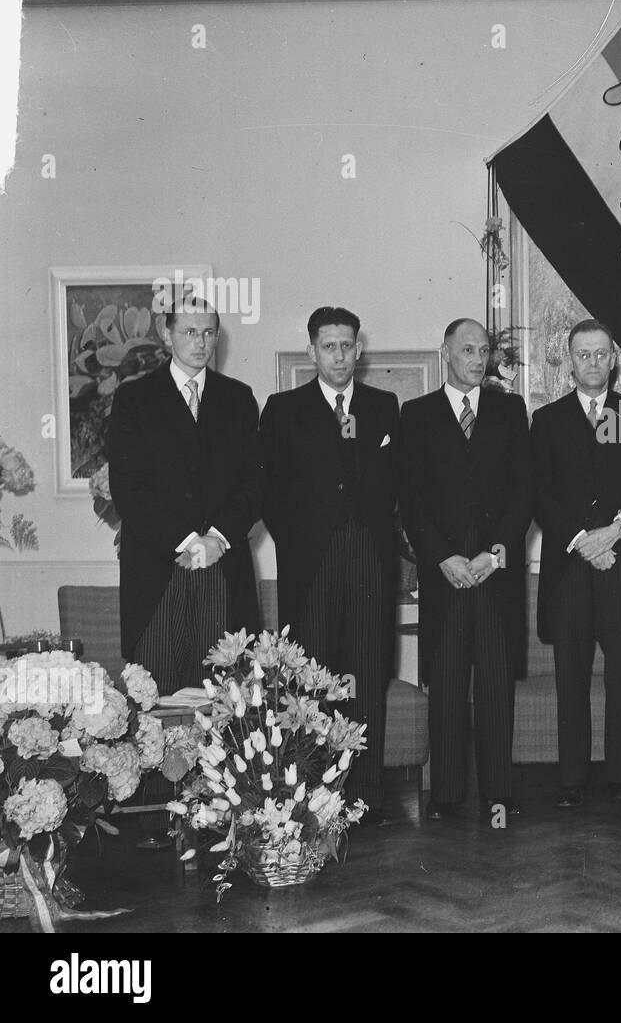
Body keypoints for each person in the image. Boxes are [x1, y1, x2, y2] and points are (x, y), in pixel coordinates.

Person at [259, 306, 399, 822]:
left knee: (365, 675)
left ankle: (366, 795)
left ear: (359, 349)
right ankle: (312, 794)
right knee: (311, 680)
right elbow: (268, 493)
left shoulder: (384, 407)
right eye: (329, 346)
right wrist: (297, 547)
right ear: (312, 350)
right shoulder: (283, 408)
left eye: (347, 345)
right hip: (311, 567)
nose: (339, 355)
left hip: (369, 566)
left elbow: (396, 489)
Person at [398, 318, 531, 821]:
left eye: (484, 350)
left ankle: (500, 791)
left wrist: (493, 554)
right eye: (468, 349)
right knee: (447, 687)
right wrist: (443, 557)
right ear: (446, 353)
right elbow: (410, 499)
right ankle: (447, 796)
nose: (478, 358)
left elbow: (525, 491)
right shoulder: (417, 415)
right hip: (445, 577)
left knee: (496, 687)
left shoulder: (509, 409)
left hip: (496, 577)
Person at [107, 296, 262, 694]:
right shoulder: (134, 399)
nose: (200, 342)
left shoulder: (239, 398)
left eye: (209, 332)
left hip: (223, 569)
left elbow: (254, 481)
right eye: (190, 332)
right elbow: (128, 488)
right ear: (167, 334)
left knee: (227, 705)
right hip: (160, 572)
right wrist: (188, 540)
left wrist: (218, 538)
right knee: (158, 706)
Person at [530, 319, 621, 809]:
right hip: (569, 569)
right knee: (572, 676)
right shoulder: (548, 419)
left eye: (602, 354)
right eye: (584, 354)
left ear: (614, 360)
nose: (594, 362)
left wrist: (614, 531)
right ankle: (572, 781)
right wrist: (583, 540)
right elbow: (540, 494)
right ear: (570, 360)